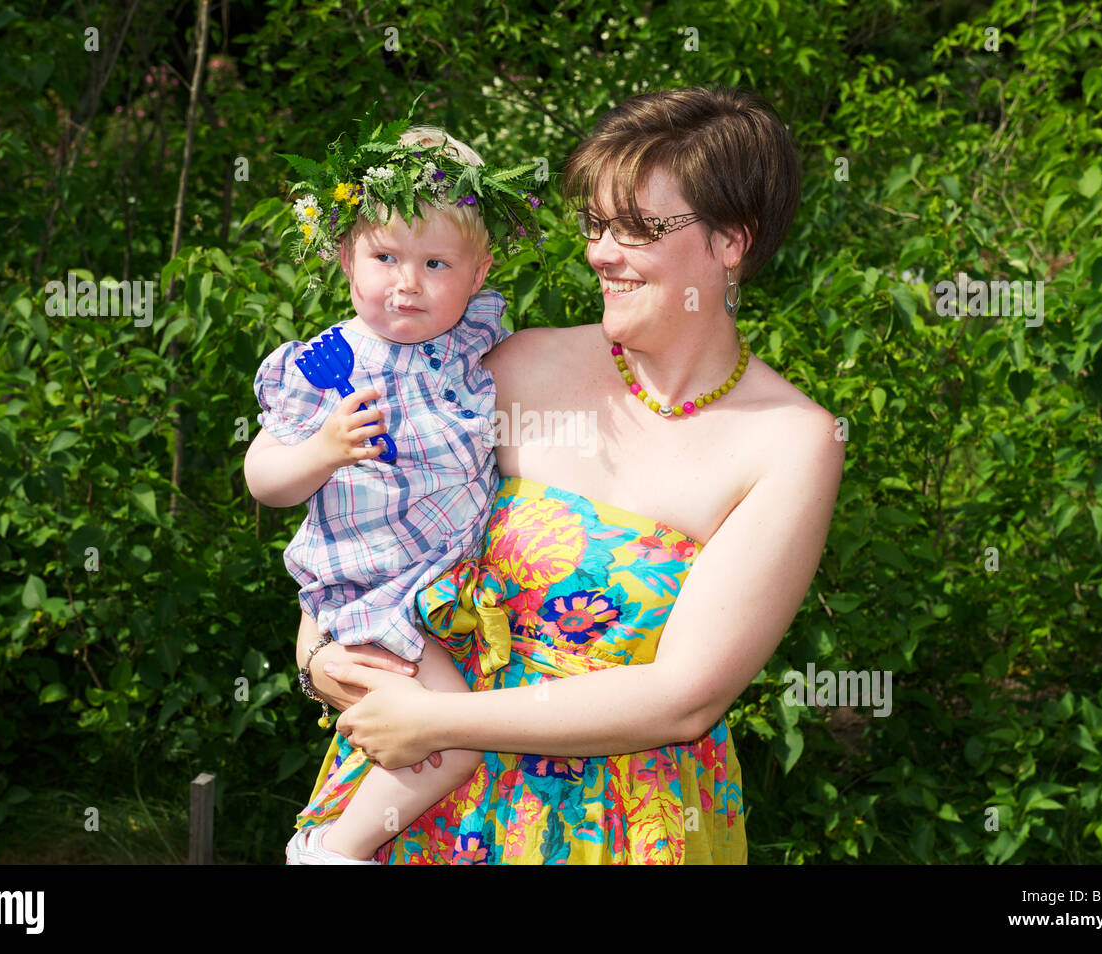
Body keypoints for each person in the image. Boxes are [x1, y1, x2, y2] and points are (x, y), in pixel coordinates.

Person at [289, 85, 844, 864]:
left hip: (613, 830)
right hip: (414, 804)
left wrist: (444, 723)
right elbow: (365, 524)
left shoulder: (790, 444)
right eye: (597, 224)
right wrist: (318, 652)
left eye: (637, 229)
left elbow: (683, 697)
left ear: (731, 242)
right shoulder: (518, 367)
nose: (601, 252)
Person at [246, 119, 544, 864]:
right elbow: (264, 481)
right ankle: (331, 850)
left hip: (445, 590)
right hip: (375, 589)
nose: (408, 283)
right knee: (456, 732)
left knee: (436, 737)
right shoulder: (326, 362)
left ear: (478, 277)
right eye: (385, 257)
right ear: (346, 257)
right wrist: (321, 450)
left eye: (437, 262)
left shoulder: (474, 342)